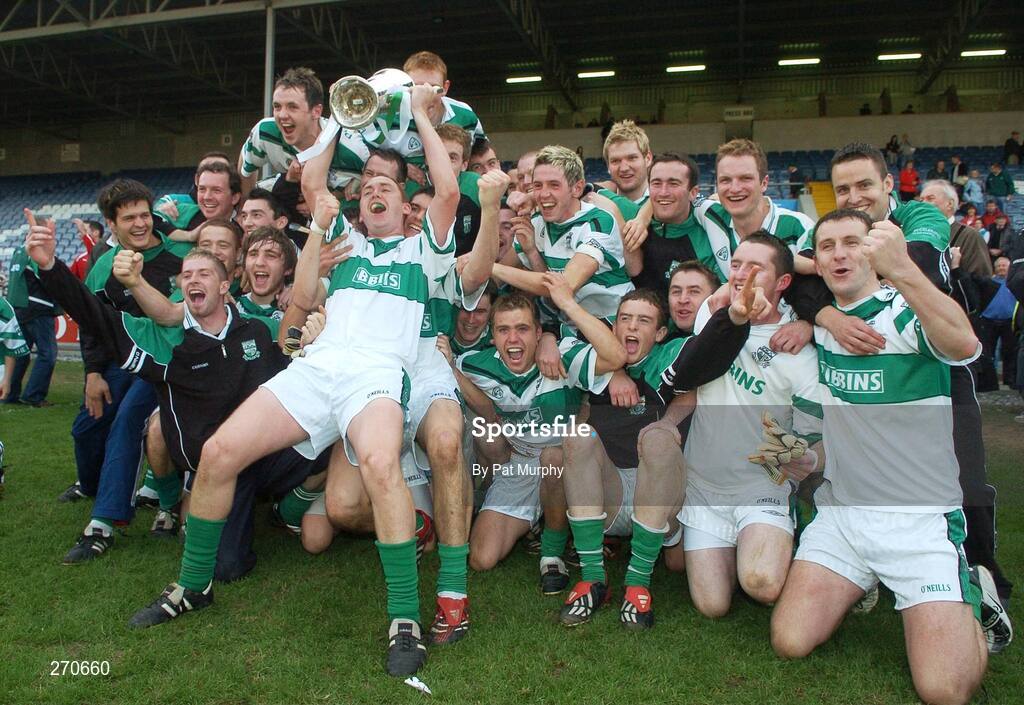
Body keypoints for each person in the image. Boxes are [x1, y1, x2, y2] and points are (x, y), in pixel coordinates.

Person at [125, 84, 456, 680]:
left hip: (378, 375)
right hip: (319, 367)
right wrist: (336, 122)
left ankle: (404, 618)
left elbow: (449, 190)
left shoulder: (421, 251)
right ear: (359, 206)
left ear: (407, 205)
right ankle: (193, 587)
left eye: (389, 187)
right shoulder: (343, 245)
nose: (376, 189)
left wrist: (423, 116)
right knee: (219, 452)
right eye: (368, 188)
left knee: (381, 466)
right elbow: (312, 187)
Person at [771, 209, 1010, 705]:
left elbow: (965, 343)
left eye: (852, 242)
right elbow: (785, 278)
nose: (839, 254)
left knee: (945, 691)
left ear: (875, 252)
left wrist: (904, 270)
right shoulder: (820, 326)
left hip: (918, 523)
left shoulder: (903, 309)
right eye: (828, 245)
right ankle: (868, 583)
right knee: (789, 641)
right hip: (843, 516)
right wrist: (803, 458)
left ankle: (971, 583)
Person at [822, 142, 1012, 602]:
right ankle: (870, 570)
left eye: (865, 184)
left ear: (889, 184)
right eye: (843, 189)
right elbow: (810, 284)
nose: (854, 196)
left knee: (964, 476)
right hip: (876, 362)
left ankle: (984, 576)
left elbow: (920, 260)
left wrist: (878, 268)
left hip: (936, 360)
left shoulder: (917, 218)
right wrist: (827, 315)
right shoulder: (841, 232)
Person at [557, 280, 763, 628]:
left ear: (661, 331)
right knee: (576, 435)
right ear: (613, 325)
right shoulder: (594, 357)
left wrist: (667, 421)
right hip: (612, 490)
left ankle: (637, 583)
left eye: (643, 321)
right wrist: (614, 369)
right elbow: (559, 332)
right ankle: (593, 579)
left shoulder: (672, 355)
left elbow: (702, 364)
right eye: (624, 319)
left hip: (662, 492)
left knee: (656, 438)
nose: (632, 327)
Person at [680, 235, 822, 619]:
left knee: (761, 584)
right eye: (737, 264)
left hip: (760, 485)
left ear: (783, 284)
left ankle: (816, 550)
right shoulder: (713, 315)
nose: (742, 275)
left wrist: (801, 457)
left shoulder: (800, 354)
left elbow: (814, 441)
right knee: (712, 606)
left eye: (756, 269)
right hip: (702, 486)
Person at [454, 282, 625, 575]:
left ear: (536, 332)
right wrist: (450, 368)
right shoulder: (478, 364)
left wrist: (552, 337)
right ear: (492, 337)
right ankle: (540, 519)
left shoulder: (561, 354)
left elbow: (615, 356)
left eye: (522, 328)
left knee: (553, 459)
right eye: (503, 330)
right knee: (481, 557)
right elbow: (458, 371)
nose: (512, 338)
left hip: (572, 465)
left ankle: (552, 550)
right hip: (521, 464)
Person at [3, 226, 59, 407]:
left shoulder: (19, 250)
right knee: (48, 353)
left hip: (20, 307)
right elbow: (47, 276)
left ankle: (9, 393)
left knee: (20, 352)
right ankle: (33, 395)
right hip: (38, 308)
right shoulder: (35, 251)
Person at [920, 180, 992, 278]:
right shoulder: (911, 234)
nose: (923, 204)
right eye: (921, 200)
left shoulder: (969, 236)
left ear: (949, 204)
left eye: (930, 199)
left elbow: (981, 280)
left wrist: (955, 270)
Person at [978, 257, 1018, 388]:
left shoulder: (1014, 282)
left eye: (1004, 265)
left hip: (1008, 321)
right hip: (989, 320)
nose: (1001, 268)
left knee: (1010, 352)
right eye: (999, 265)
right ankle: (990, 382)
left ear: (1009, 267)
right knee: (989, 352)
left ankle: (1010, 380)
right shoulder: (988, 282)